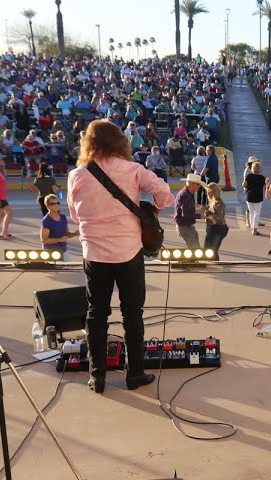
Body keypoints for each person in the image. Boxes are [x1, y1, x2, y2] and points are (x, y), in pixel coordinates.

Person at [67, 118, 172, 394]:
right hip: (128, 252)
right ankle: (135, 374)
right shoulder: (133, 169)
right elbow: (163, 191)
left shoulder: (77, 174)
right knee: (132, 314)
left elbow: (75, 216)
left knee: (96, 313)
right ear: (119, 143)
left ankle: (96, 376)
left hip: (95, 254)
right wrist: (155, 209)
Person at [175, 173, 205, 249]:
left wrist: (196, 205)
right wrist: (202, 216)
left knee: (195, 248)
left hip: (186, 226)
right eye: (198, 185)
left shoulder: (187, 193)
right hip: (185, 227)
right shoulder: (186, 195)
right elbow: (186, 214)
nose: (199, 187)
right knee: (194, 250)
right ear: (192, 185)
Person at [202, 183, 229, 252]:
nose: (207, 194)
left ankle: (213, 262)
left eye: (209, 192)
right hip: (216, 228)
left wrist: (208, 214)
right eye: (207, 192)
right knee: (212, 251)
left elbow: (219, 218)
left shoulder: (217, 203)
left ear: (213, 193)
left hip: (216, 228)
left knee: (209, 251)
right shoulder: (214, 202)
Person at [243, 160, 267, 236]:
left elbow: (244, 185)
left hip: (249, 196)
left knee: (251, 212)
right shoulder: (262, 177)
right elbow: (265, 187)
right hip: (258, 196)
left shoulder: (248, 176)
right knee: (257, 213)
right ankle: (254, 229)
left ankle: (252, 228)